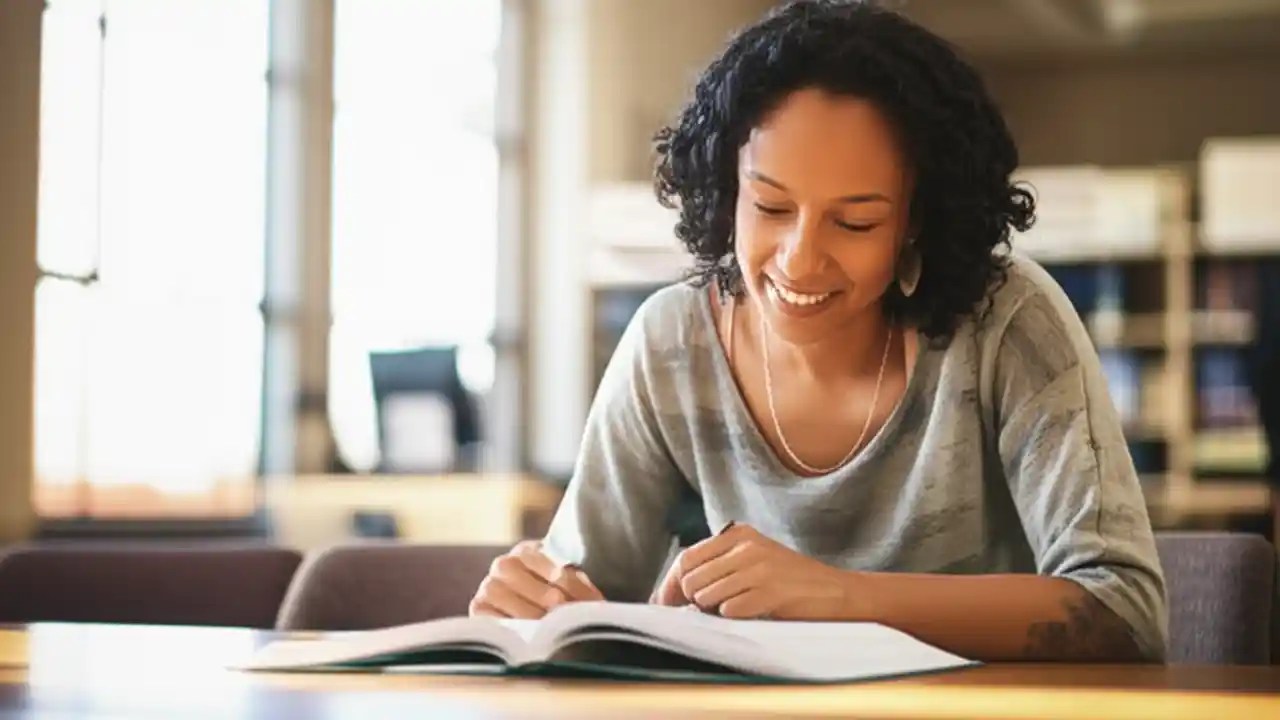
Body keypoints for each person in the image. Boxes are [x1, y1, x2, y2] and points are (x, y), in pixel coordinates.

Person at [469, 0, 1167, 662]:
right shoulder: (670, 344)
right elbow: (589, 601)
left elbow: (1125, 611)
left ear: (916, 218)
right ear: (727, 190)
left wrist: (842, 596)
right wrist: (541, 607)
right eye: (770, 207)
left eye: (855, 221)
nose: (799, 259)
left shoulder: (1008, 324)